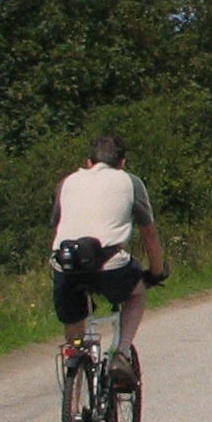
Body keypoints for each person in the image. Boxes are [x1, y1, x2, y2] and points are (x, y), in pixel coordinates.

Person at [49, 133, 167, 388]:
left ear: (88, 163)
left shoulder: (66, 183)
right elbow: (149, 234)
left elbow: (57, 226)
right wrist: (156, 271)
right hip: (109, 265)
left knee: (74, 322)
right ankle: (121, 354)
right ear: (122, 163)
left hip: (66, 265)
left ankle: (75, 385)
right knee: (136, 293)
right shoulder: (130, 182)